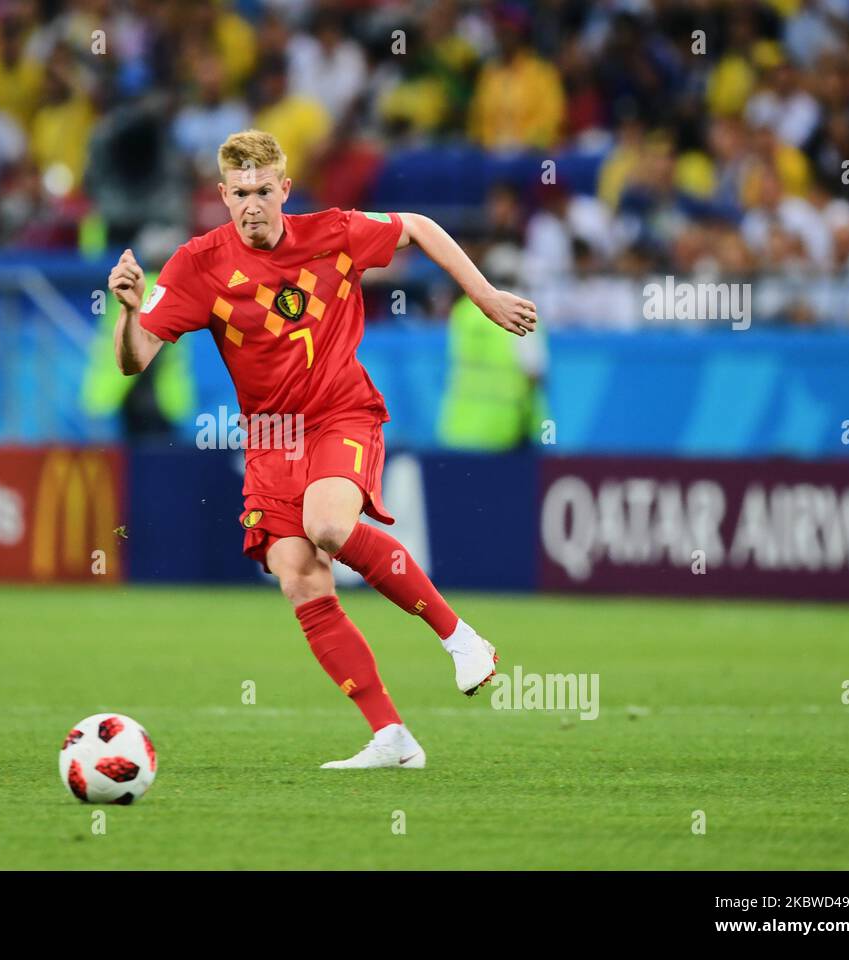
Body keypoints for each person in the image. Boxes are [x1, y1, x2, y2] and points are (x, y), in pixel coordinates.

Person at [108, 130, 538, 769]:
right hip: (269, 436)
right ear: (221, 196)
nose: (252, 205)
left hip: (340, 413)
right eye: (239, 194)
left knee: (330, 527)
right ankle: (392, 736)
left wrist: (485, 297)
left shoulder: (333, 233)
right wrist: (127, 311)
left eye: (263, 191)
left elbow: (417, 227)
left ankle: (462, 639)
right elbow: (134, 359)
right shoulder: (197, 265)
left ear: (284, 189)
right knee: (299, 576)